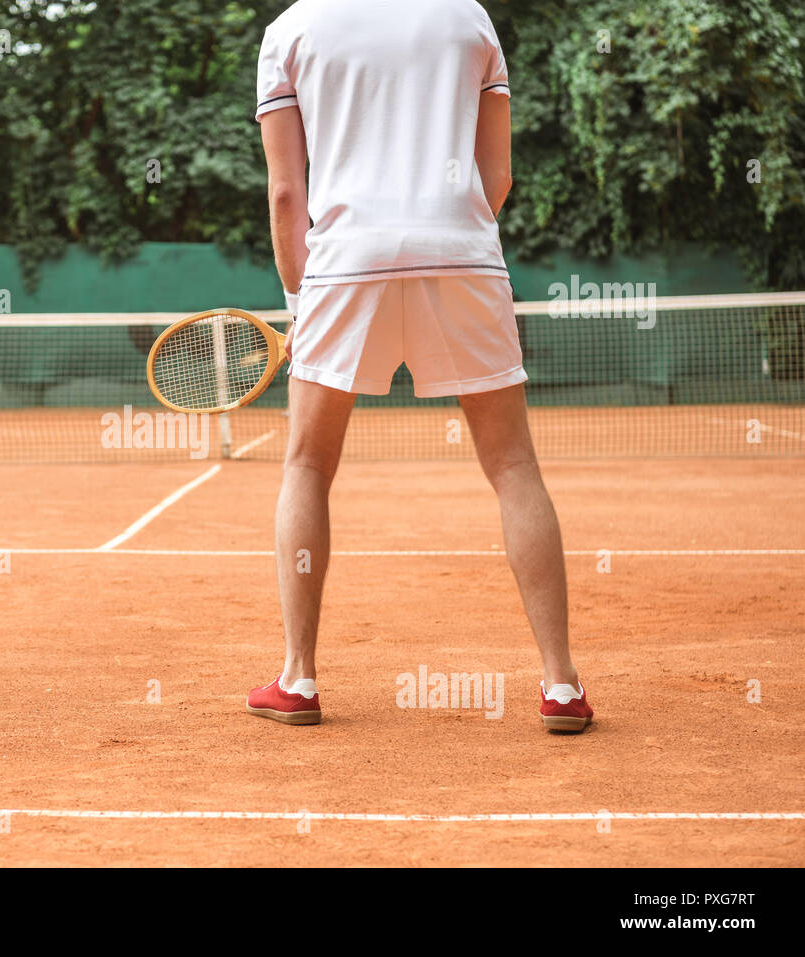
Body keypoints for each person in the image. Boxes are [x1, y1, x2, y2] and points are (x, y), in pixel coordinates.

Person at [245, 0, 593, 732]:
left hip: (345, 264)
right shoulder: (470, 19)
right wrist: (451, 235)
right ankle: (560, 684)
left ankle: (298, 678)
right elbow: (496, 176)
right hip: (462, 250)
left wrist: (296, 299)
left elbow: (286, 193)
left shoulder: (290, 31)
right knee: (512, 465)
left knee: (307, 465)